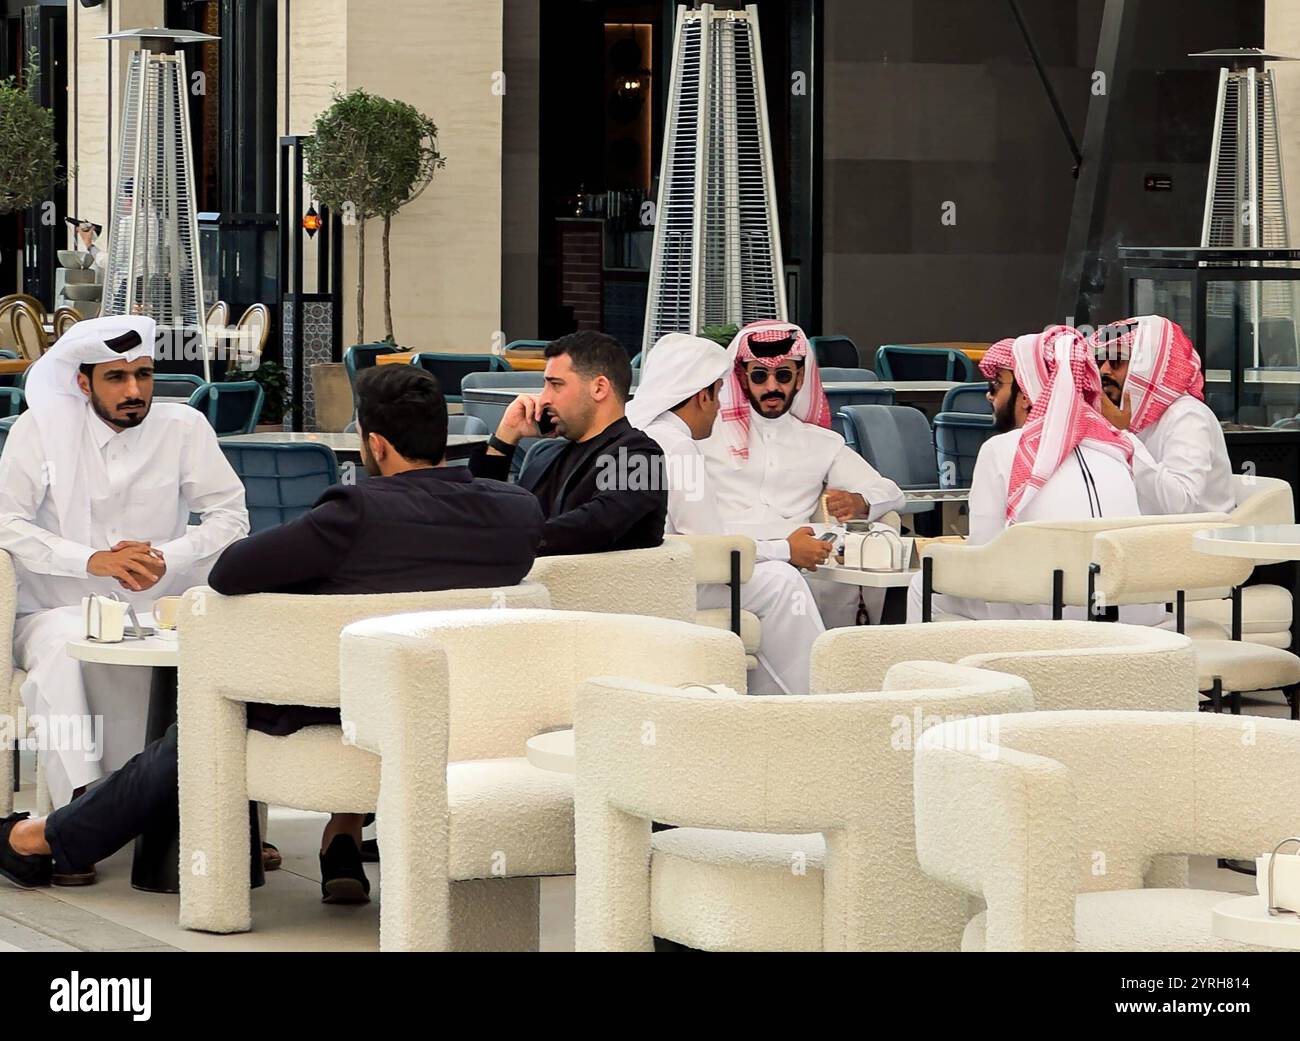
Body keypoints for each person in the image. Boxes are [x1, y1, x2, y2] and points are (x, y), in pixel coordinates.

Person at [0, 365, 546, 902]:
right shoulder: (518, 514)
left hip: (338, 705)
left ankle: (47, 836)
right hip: (460, 708)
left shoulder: (354, 514)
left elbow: (231, 571)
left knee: (201, 728)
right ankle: (342, 833)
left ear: (374, 444)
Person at [0, 316, 248, 818]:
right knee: (69, 654)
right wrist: (92, 560)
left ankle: (218, 813)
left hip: (160, 610)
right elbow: (6, 522)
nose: (134, 390)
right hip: (54, 609)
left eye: (144, 374)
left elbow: (231, 516)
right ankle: (81, 813)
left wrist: (167, 556)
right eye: (116, 377)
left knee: (223, 654)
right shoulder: (40, 429)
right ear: (82, 381)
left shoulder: (183, 427)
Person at [907, 326, 1159, 623]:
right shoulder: (1121, 444)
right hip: (1133, 611)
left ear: (1026, 395)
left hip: (1048, 611)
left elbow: (983, 553)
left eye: (996, 385)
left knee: (921, 584)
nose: (989, 396)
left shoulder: (1001, 449)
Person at [627, 333, 826, 694]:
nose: (720, 407)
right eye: (717, 393)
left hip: (636, 577)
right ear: (701, 395)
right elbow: (713, 553)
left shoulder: (634, 435)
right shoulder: (677, 447)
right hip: (670, 584)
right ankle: (815, 700)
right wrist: (786, 550)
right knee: (783, 582)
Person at [701, 320, 905, 627]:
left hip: (803, 551)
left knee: (880, 534)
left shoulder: (821, 442)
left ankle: (838, 646)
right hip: (734, 551)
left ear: (799, 378)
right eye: (759, 376)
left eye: (783, 375)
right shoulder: (706, 435)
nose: (772, 387)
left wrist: (860, 500)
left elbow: (891, 491)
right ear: (742, 379)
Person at [470, 330, 667, 555]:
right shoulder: (545, 456)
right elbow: (480, 512)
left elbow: (596, 525)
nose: (543, 398)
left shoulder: (639, 456)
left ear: (599, 388)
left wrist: (503, 540)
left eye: (556, 385)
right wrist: (505, 437)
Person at [1089, 315, 1234, 515]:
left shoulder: (1188, 416)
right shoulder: (1129, 417)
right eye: (1102, 360)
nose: (1104, 370)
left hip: (1193, 539)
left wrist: (1124, 438)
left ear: (1145, 366)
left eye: (1116, 361)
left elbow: (1180, 504)